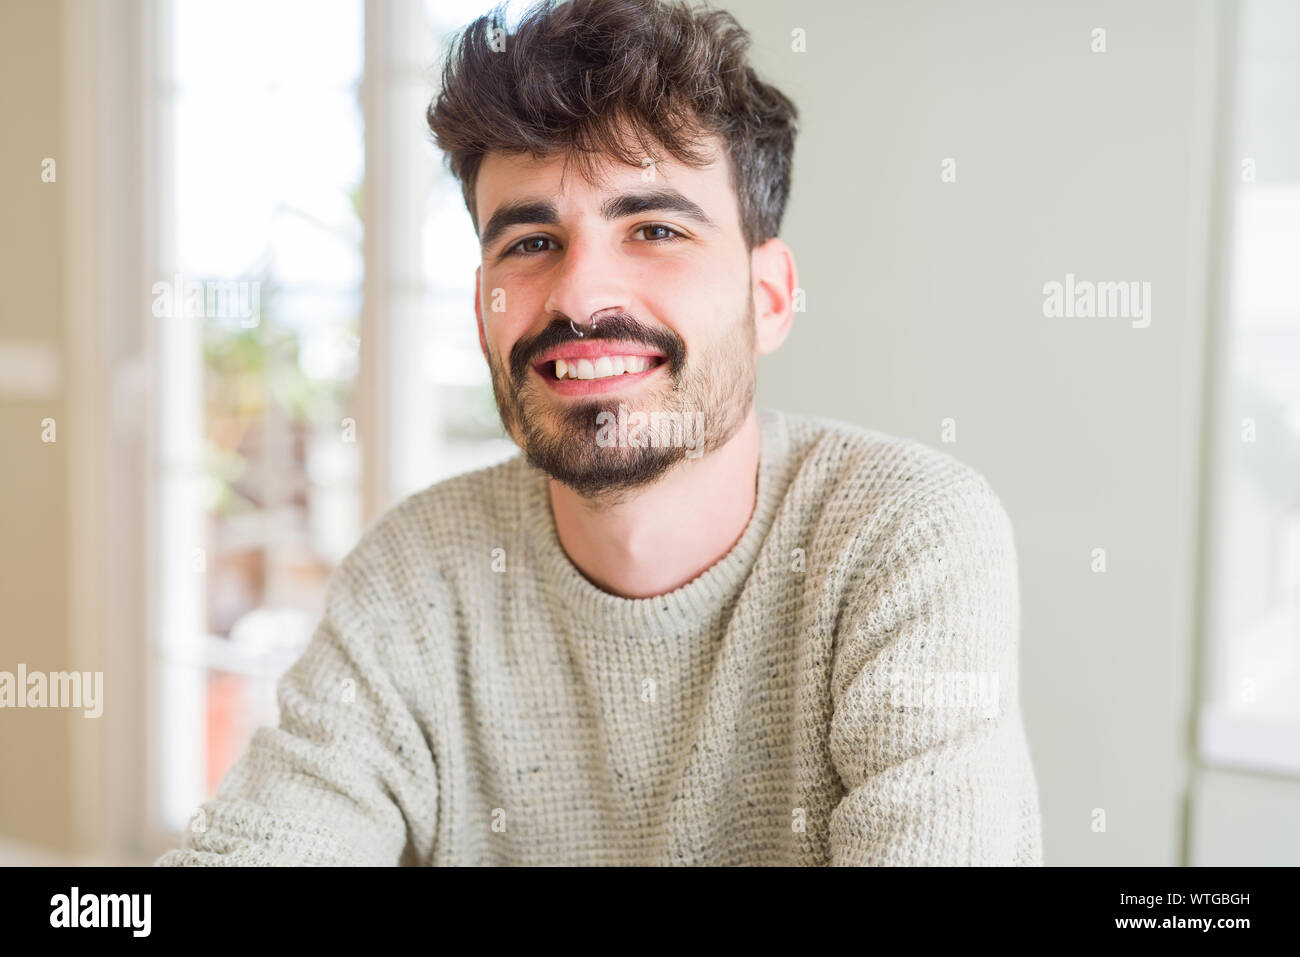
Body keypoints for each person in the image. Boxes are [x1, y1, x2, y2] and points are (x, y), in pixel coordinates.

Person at [156, 0, 1043, 866]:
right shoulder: (414, 574)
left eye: (654, 228)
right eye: (532, 242)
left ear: (768, 297)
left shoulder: (905, 535)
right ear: (482, 309)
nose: (580, 297)